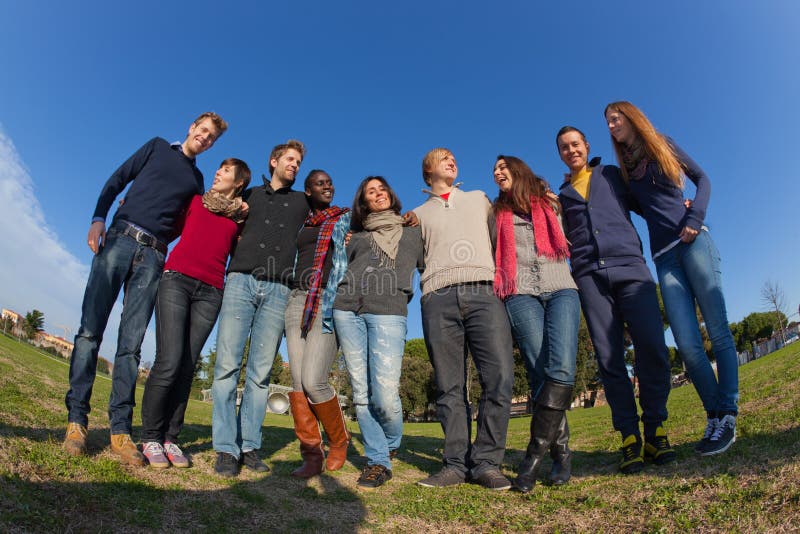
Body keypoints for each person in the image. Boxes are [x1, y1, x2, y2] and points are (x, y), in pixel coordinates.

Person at [63, 112, 227, 465]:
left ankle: (120, 430)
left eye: (212, 137)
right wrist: (98, 218)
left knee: (131, 346)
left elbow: (188, 222)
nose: (205, 138)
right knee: (89, 333)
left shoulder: (197, 181)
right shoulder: (156, 148)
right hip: (120, 239)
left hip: (153, 256)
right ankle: (76, 421)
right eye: (203, 130)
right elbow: (118, 178)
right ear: (191, 128)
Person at [605, 101, 738, 455]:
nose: (611, 126)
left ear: (631, 118)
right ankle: (713, 415)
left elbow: (702, 179)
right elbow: (638, 207)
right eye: (608, 123)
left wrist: (696, 216)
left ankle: (727, 414)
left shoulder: (662, 144)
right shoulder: (626, 172)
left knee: (718, 330)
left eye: (615, 118)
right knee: (688, 344)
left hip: (693, 241)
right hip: (664, 258)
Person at [556, 126, 675, 474]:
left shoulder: (610, 174)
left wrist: (679, 209)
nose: (570, 150)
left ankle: (655, 429)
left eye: (575, 144)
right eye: (564, 147)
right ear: (560, 154)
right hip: (590, 278)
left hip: (630, 267)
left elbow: (646, 203)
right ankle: (629, 437)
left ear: (586, 146)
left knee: (652, 346)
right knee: (609, 359)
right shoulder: (562, 194)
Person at [413, 148, 515, 490]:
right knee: (449, 385)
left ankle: (486, 462)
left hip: (484, 292)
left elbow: (509, 222)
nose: (452, 160)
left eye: (454, 156)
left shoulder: (479, 199)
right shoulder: (415, 215)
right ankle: (455, 465)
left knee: (499, 377)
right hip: (437, 298)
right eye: (443, 157)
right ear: (429, 171)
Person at [139, 159, 251, 468]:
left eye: (226, 171)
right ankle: (150, 436)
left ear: (239, 182)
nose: (218, 173)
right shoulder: (195, 202)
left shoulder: (240, 218)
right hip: (176, 280)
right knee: (169, 360)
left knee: (187, 366)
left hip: (211, 292)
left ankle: (170, 439)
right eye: (219, 169)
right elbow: (167, 225)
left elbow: (242, 250)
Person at [211, 140, 309, 477]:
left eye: (299, 161)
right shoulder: (248, 196)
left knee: (260, 373)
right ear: (273, 161)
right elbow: (214, 211)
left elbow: (329, 218)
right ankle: (226, 448)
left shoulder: (302, 202)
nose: (295, 165)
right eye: (290, 159)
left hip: (279, 289)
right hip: (240, 282)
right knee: (226, 365)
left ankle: (249, 445)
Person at [491, 156, 580, 491]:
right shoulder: (495, 212)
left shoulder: (551, 203)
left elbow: (581, 226)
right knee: (539, 372)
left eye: (502, 167)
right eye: (494, 171)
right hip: (520, 292)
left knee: (562, 368)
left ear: (518, 170)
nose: (498, 173)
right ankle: (562, 454)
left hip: (561, 286)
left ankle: (533, 456)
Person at [334, 176, 424, 490]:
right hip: (348, 309)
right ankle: (378, 461)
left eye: (382, 188)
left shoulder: (413, 230)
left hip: (389, 310)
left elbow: (430, 264)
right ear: (365, 201)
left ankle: (390, 441)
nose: (378, 193)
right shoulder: (356, 235)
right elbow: (341, 266)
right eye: (371, 192)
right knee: (360, 393)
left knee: (384, 395)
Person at [284, 170, 351, 479]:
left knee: (314, 379)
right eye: (321, 183)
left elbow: (377, 225)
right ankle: (312, 454)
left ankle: (339, 441)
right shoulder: (302, 223)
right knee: (297, 382)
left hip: (328, 299)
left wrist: (406, 219)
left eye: (330, 182)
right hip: (297, 299)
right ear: (308, 191)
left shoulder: (346, 218)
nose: (328, 186)